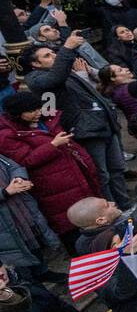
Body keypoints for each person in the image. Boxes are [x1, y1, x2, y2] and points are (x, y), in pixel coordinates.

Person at [19, 33, 129, 209]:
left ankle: (126, 205)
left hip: (103, 124)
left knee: (116, 169)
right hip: (86, 132)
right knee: (102, 175)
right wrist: (67, 48)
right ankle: (111, 209)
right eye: (47, 56)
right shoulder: (37, 79)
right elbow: (53, 85)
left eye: (53, 53)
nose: (54, 55)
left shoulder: (65, 71)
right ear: (35, 64)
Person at [0, 92, 100, 253]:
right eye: (32, 110)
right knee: (69, 226)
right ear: (18, 113)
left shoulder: (44, 121)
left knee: (91, 220)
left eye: (38, 108)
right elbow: (25, 161)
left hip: (73, 176)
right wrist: (53, 145)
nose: (38, 112)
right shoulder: (7, 136)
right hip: (51, 187)